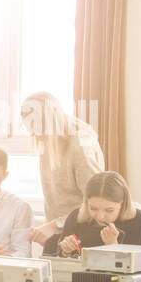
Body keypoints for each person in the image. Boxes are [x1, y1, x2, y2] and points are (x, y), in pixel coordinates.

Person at [20, 92, 106, 249]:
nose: (35, 136)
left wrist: (56, 225)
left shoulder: (80, 144)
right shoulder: (48, 141)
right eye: (30, 131)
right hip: (60, 235)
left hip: (84, 236)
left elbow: (98, 202)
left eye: (38, 130)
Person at [53, 171, 141, 256]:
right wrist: (66, 251)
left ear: (123, 203)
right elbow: (58, 258)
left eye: (109, 210)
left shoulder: (137, 220)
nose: (100, 217)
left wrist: (113, 246)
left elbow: (139, 266)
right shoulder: (76, 217)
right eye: (93, 208)